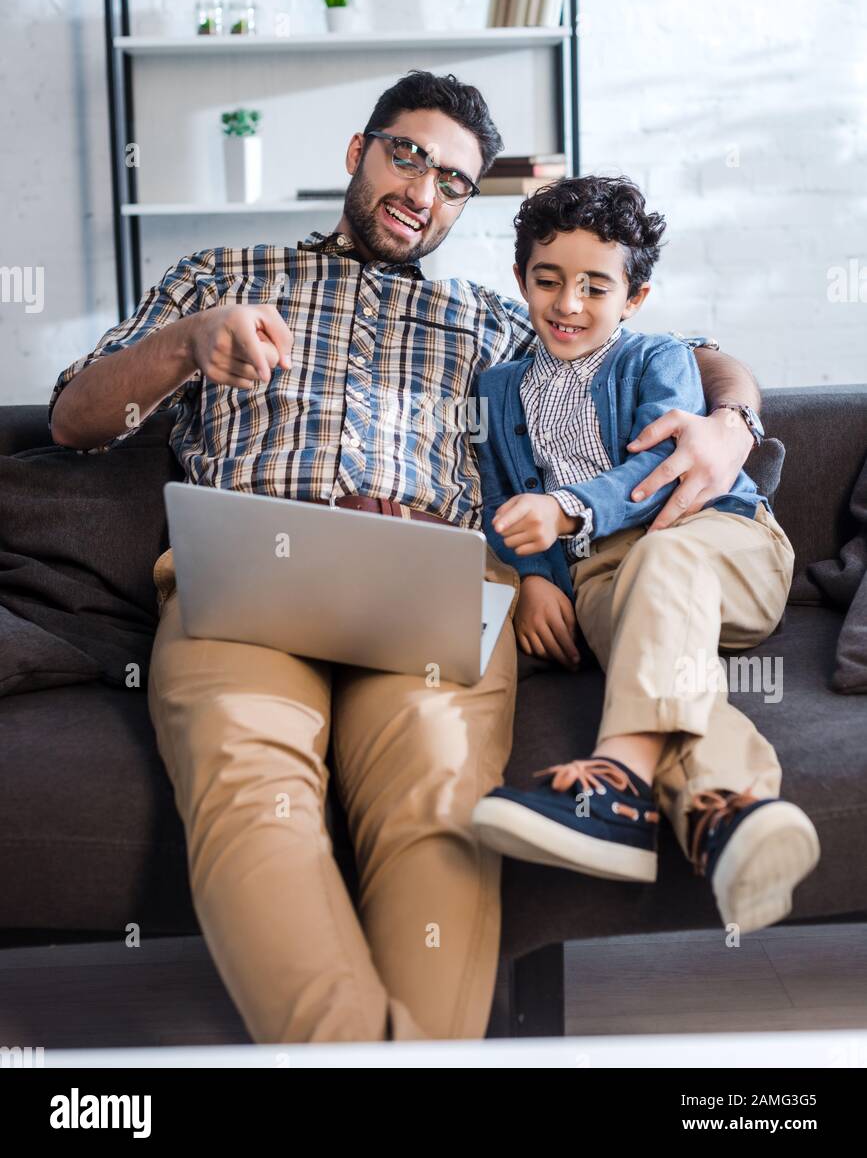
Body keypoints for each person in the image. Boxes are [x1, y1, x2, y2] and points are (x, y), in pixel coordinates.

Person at [48, 72, 766, 1041]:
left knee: (443, 811)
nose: (424, 190)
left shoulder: (494, 319)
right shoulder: (222, 276)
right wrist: (188, 344)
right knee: (254, 798)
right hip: (252, 571)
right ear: (359, 150)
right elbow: (76, 418)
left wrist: (730, 424)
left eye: (455, 181)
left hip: (433, 580)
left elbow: (681, 348)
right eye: (408, 154)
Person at [470, 174, 821, 934]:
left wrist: (565, 510)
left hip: (717, 544)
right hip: (602, 576)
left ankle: (617, 788)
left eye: (595, 287)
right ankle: (730, 817)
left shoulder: (657, 357)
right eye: (548, 280)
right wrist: (533, 578)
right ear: (519, 279)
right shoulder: (497, 388)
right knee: (654, 665)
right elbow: (503, 498)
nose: (567, 304)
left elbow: (655, 472)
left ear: (633, 297)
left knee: (661, 562)